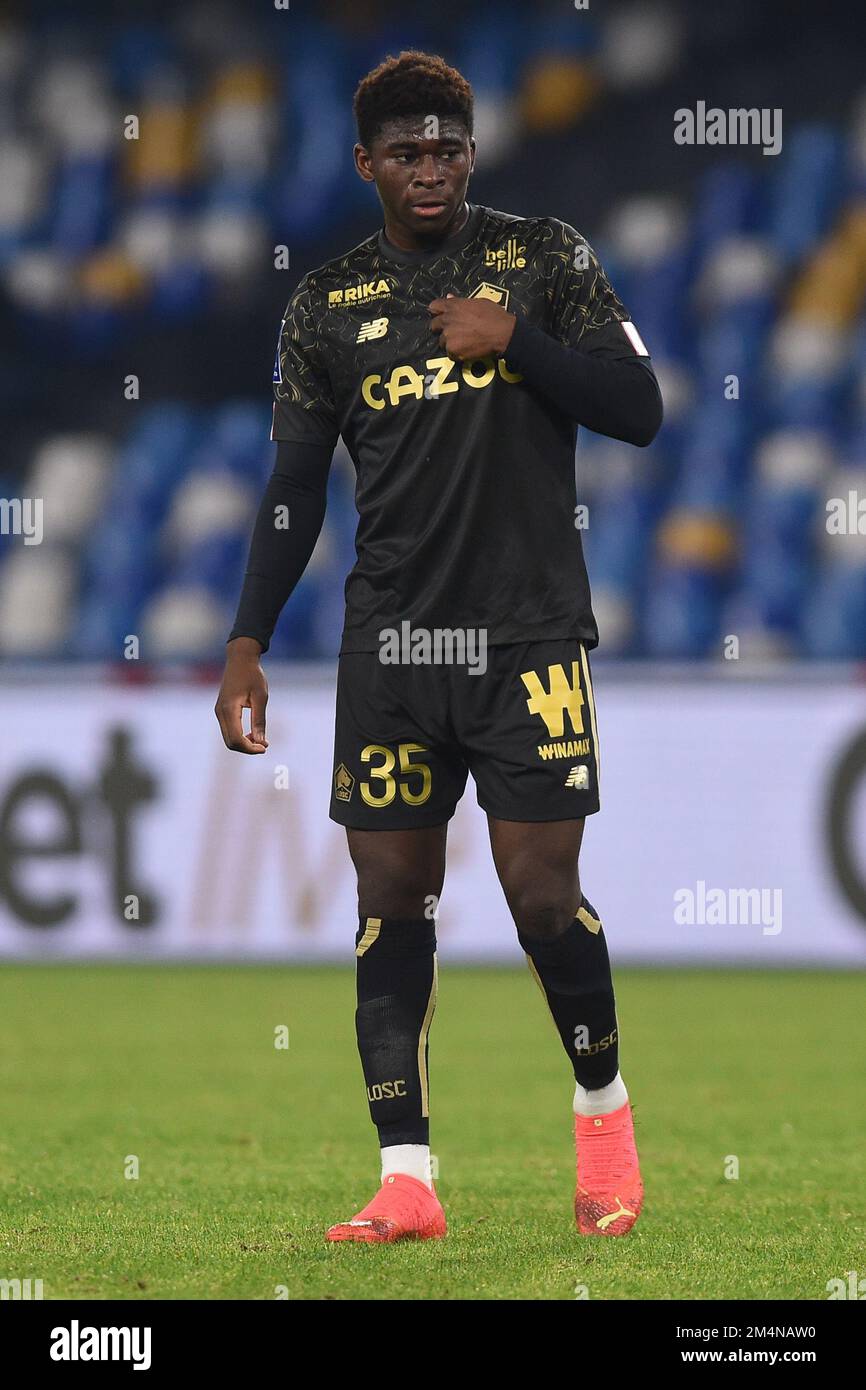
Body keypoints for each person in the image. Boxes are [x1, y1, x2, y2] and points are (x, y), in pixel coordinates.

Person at [215, 49, 663, 1243]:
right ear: (364, 163)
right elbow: (292, 487)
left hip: (526, 640)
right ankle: (408, 1178)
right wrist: (247, 637)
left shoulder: (541, 259)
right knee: (389, 899)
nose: (429, 170)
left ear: (473, 152)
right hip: (392, 650)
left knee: (540, 896)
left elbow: (638, 407)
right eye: (405, 153)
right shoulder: (326, 305)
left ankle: (602, 1122)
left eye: (448, 149)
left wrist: (513, 339)